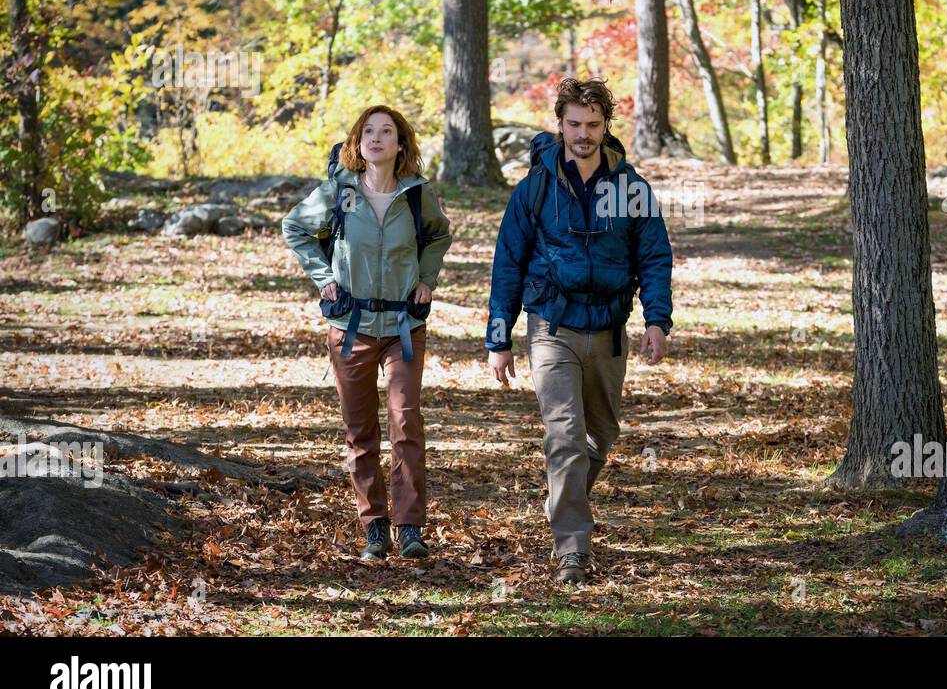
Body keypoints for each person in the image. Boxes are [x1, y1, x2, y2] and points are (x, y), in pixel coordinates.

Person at [486, 77, 673, 585]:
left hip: (610, 329)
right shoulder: (536, 187)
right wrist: (498, 337)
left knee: (600, 435)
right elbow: (508, 263)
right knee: (564, 436)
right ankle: (573, 548)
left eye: (593, 124)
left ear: (606, 125)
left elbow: (655, 256)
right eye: (574, 124)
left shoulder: (631, 188)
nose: (583, 134)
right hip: (552, 325)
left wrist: (657, 320)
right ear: (560, 124)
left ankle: (560, 497)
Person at [283, 105, 452, 561]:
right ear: (357, 143)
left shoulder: (417, 196)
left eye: (387, 132)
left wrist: (427, 279)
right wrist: (323, 277)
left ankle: (411, 527)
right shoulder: (340, 192)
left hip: (404, 326)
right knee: (360, 431)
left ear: (401, 145)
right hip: (350, 327)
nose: (376, 138)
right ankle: (374, 526)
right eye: (368, 132)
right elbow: (295, 227)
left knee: (405, 422)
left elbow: (438, 236)